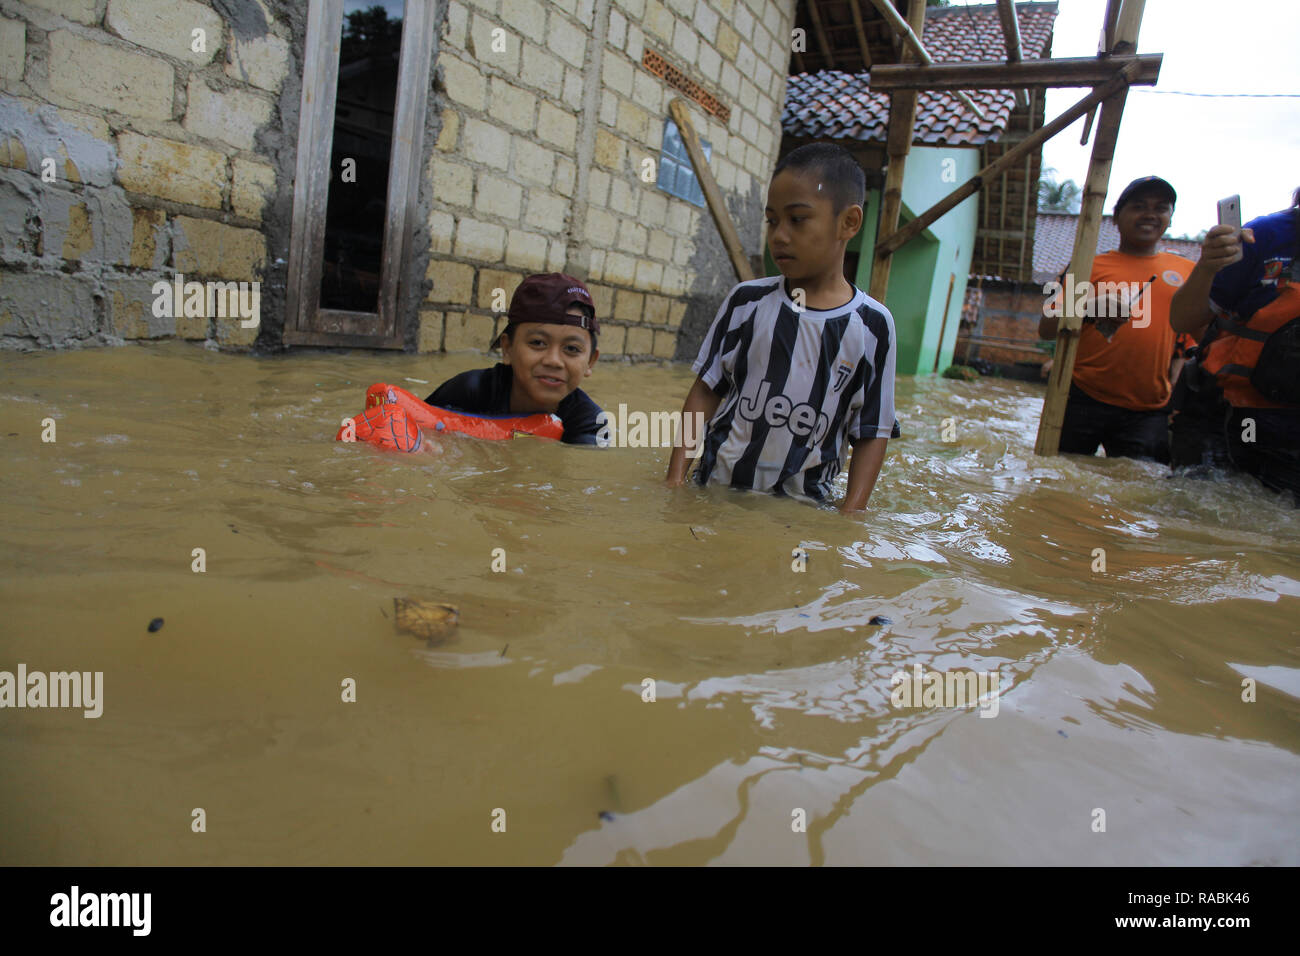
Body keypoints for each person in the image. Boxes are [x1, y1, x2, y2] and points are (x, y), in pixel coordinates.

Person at [664, 143, 900, 512]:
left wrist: (850, 515)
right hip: (714, 493)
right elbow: (706, 391)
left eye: (797, 219)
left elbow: (871, 432)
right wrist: (675, 482)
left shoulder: (873, 326)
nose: (779, 235)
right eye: (772, 220)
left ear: (849, 223)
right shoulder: (747, 302)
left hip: (802, 511)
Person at [1038, 176, 1197, 463]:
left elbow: (1188, 345)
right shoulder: (1085, 264)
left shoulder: (1187, 271)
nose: (1150, 214)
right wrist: (1088, 307)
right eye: (1138, 206)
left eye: (1161, 208)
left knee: (1136, 492)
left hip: (1149, 409)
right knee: (1056, 475)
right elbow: (1046, 325)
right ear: (1116, 218)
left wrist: (1175, 401)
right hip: (1080, 396)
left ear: (1170, 219)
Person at [1169, 189, 1300, 501]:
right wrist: (1207, 266)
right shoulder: (1263, 238)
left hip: (1290, 427)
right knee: (1203, 514)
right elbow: (1182, 320)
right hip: (1226, 413)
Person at [425, 273, 605, 445]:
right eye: (538, 343)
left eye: (572, 348)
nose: (553, 361)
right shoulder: (469, 391)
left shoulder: (589, 423)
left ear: (590, 361)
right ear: (507, 349)